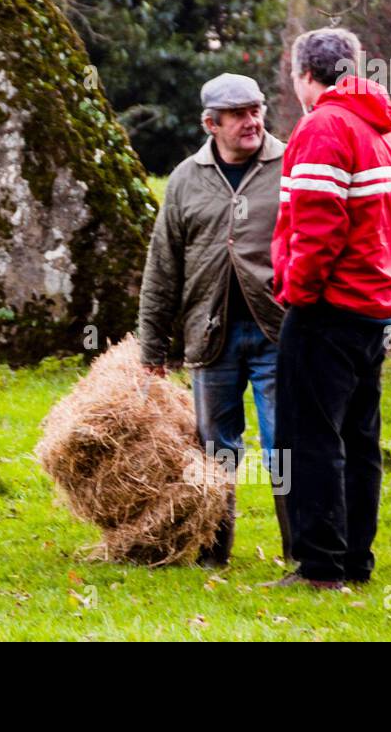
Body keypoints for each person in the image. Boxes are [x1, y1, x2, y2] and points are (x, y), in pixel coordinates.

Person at [268, 28, 391, 590]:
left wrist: (297, 296)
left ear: (306, 75)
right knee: (359, 440)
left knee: (310, 437)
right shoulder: (380, 129)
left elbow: (317, 226)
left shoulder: (324, 126)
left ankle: (321, 566)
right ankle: (356, 561)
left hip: (328, 308)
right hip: (375, 308)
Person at [138, 73, 289, 566]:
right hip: (209, 337)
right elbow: (163, 267)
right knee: (216, 449)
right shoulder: (184, 178)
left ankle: (301, 552)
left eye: (256, 110)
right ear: (211, 123)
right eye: (239, 114)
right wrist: (152, 351)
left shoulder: (290, 165)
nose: (251, 121)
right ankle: (212, 551)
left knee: (283, 445)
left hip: (278, 331)